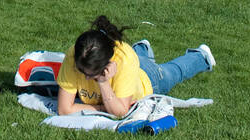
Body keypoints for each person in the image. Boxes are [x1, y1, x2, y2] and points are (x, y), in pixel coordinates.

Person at [56, 14, 215, 118]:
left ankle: (201, 56)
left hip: (149, 79)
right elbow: (64, 110)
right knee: (137, 57)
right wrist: (102, 108)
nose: (85, 77)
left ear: (108, 65)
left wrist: (103, 83)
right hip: (133, 63)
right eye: (81, 71)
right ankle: (142, 48)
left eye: (92, 74)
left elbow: (119, 112)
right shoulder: (75, 56)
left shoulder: (125, 59)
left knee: (174, 72)